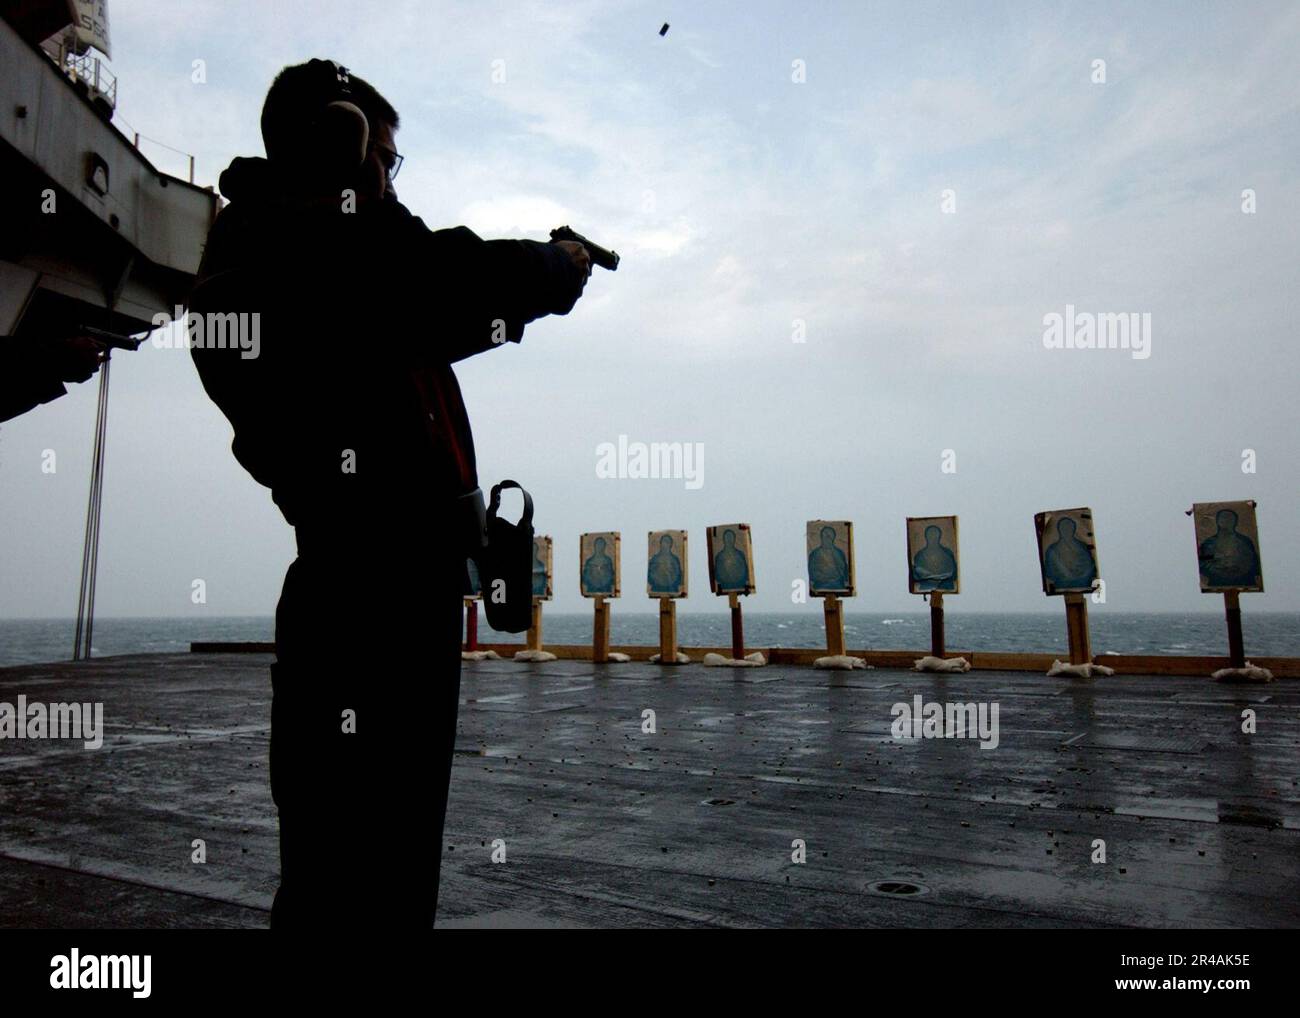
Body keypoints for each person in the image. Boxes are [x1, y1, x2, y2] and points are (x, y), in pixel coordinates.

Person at [188, 59, 590, 929]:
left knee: (390, 860)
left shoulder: (310, 250)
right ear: (334, 139)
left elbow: (419, 293)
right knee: (350, 869)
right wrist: (558, 268)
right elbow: (437, 280)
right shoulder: (284, 251)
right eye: (381, 153)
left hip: (392, 591)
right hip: (363, 595)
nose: (387, 175)